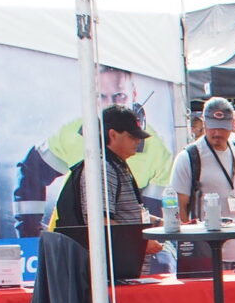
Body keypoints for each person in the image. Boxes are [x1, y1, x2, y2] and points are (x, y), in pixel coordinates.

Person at [49, 106, 167, 271]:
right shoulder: (103, 169)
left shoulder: (114, 165)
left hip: (122, 270)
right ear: (112, 135)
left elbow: (126, 212)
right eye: (132, 136)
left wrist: (163, 222)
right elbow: (100, 222)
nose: (138, 141)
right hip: (112, 274)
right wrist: (140, 243)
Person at [169, 96, 235, 266]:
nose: (217, 133)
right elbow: (179, 205)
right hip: (206, 253)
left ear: (232, 125)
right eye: (212, 128)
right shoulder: (189, 156)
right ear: (204, 123)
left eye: (222, 128)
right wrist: (189, 245)